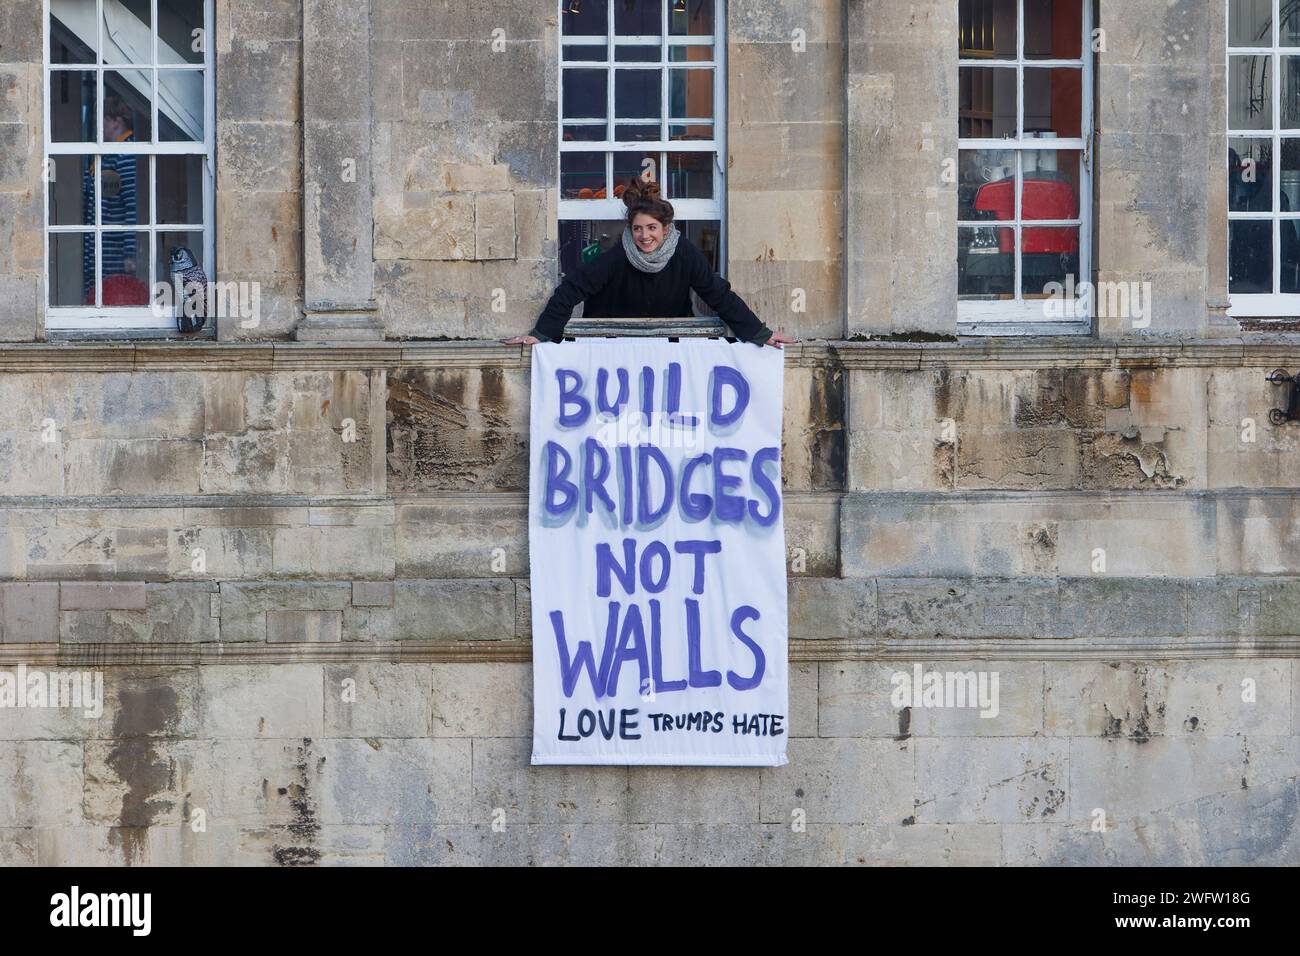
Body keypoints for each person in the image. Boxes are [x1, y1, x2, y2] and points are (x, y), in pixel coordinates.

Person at [504, 178, 796, 348]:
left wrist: (761, 334)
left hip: (666, 347)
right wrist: (541, 334)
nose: (645, 236)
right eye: (638, 229)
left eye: (652, 228)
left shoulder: (685, 254)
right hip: (615, 346)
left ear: (665, 228)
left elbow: (717, 293)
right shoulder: (617, 257)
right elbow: (572, 288)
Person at [82, 94, 142, 303]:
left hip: (115, 254)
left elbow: (132, 207)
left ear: (116, 121)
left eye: (103, 121)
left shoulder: (126, 155)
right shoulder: (106, 154)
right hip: (99, 252)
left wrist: (129, 254)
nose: (99, 128)